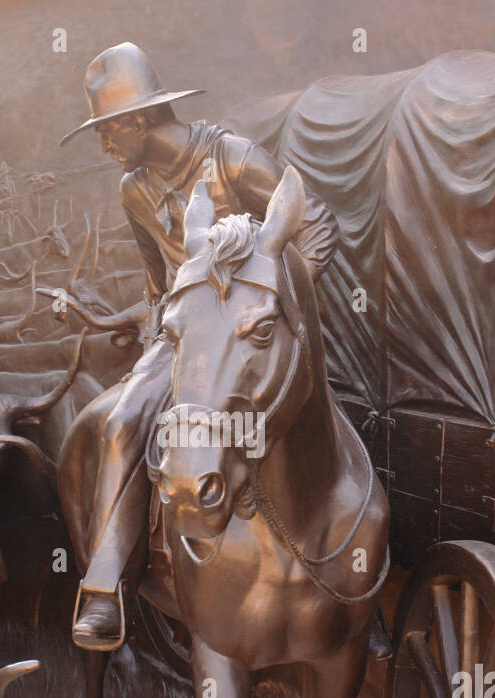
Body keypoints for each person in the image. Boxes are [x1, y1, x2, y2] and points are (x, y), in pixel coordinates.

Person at [60, 42, 338, 649]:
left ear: (136, 121)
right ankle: (106, 581)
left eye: (107, 131)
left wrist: (273, 303)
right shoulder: (133, 190)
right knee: (124, 418)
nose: (105, 146)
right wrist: (160, 330)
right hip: (185, 332)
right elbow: (157, 283)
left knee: (323, 420)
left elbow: (314, 226)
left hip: (258, 329)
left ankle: (353, 586)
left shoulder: (233, 159)